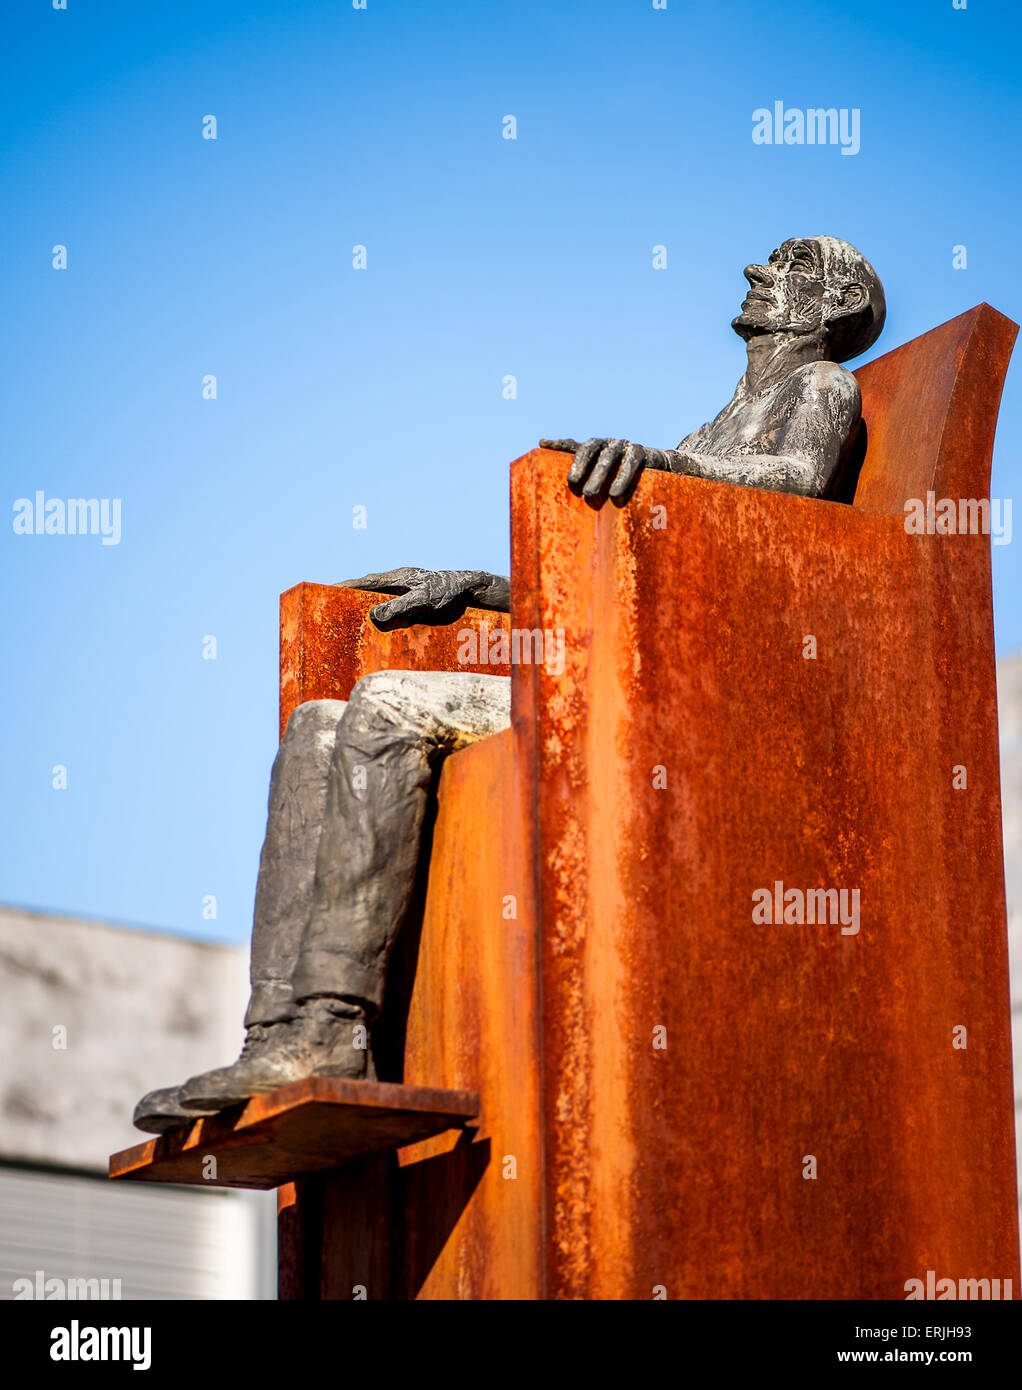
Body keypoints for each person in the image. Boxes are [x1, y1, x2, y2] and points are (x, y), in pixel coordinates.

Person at [134, 236, 884, 1132]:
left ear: (832, 308)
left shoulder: (821, 388)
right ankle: (275, 1034)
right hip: (602, 663)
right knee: (317, 721)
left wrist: (662, 466)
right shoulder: (705, 431)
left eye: (789, 265)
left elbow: (798, 483)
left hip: (667, 695)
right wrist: (479, 588)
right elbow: (597, 581)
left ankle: (335, 1026)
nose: (760, 272)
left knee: (386, 704)